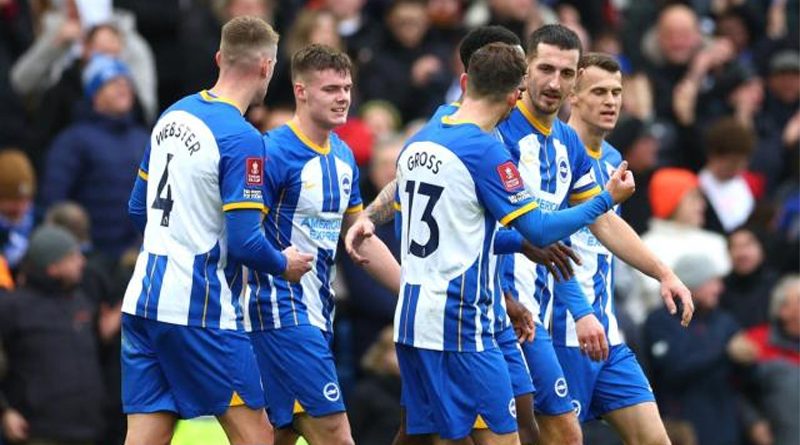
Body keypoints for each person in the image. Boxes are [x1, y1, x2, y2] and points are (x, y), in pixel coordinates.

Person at [392, 42, 634, 445]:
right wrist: (607, 199)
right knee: (505, 437)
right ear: (513, 95)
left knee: (422, 433)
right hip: (461, 322)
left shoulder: (422, 137)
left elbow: (455, 226)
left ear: (466, 82)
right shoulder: (486, 150)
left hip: (413, 315)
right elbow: (538, 229)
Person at [120, 16, 312, 445]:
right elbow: (245, 242)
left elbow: (137, 208)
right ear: (267, 67)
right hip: (199, 308)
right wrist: (285, 264)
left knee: (145, 436)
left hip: (143, 300)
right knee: (256, 437)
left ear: (220, 58)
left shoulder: (174, 114)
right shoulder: (242, 138)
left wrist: (176, 237)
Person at [244, 44, 399, 445]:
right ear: (301, 92)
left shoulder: (344, 156)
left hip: (318, 312)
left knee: (281, 432)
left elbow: (359, 239)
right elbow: (240, 233)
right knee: (334, 432)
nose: (343, 97)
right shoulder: (272, 151)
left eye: (346, 87)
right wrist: (276, 264)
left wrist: (413, 293)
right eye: (330, 89)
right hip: (279, 313)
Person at [558, 52, 686, 444]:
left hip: (607, 333)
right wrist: (578, 312)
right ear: (573, 96)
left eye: (616, 92)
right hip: (561, 330)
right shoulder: (552, 155)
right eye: (598, 91)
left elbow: (609, 228)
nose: (611, 101)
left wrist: (663, 272)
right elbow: (544, 242)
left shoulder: (614, 161)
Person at [0, 226, 106, 445]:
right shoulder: (11, 307)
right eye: (72, 256)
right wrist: (4, 411)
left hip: (90, 431)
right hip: (38, 433)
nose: (82, 262)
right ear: (52, 267)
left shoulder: (82, 301)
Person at [41, 54, 148, 261]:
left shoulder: (144, 139)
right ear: (94, 93)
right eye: (112, 82)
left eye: (126, 82)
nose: (123, 88)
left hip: (138, 257)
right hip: (90, 261)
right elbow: (53, 203)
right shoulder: (73, 141)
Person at [644, 253, 743, 445]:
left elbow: (746, 378)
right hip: (682, 426)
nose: (719, 288)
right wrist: (725, 353)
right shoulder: (660, 321)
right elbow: (672, 370)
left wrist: (748, 358)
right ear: (692, 284)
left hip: (725, 426)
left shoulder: (724, 321)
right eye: (712, 282)